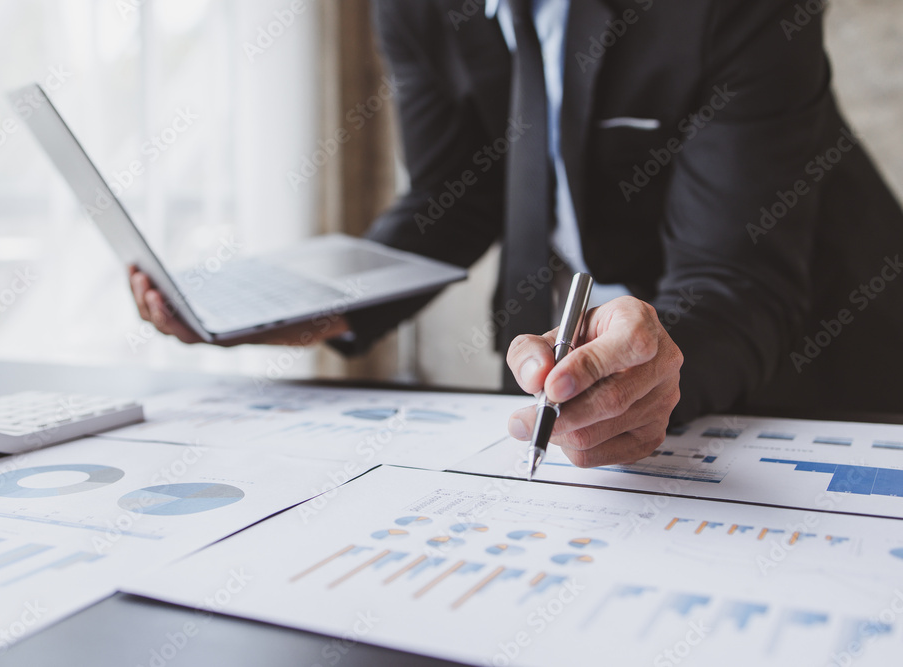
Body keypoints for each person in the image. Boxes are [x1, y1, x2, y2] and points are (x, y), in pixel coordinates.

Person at [130, 0, 903, 469]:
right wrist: (312, 304)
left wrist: (659, 370)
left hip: (817, 351)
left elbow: (738, 279)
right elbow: (453, 193)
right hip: (595, 370)